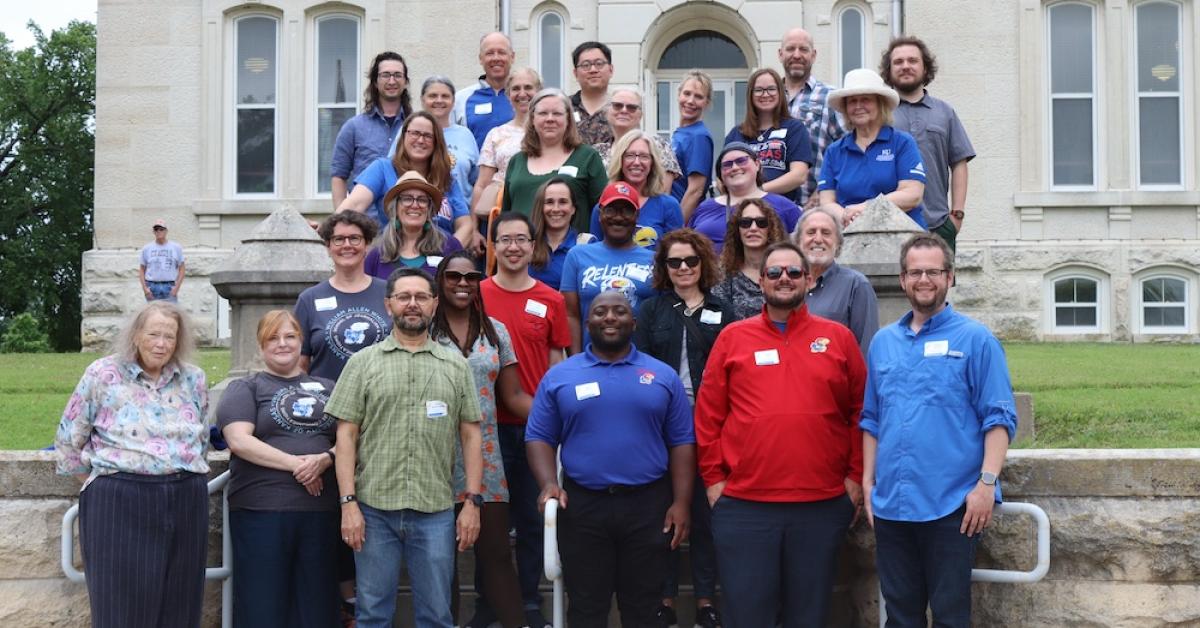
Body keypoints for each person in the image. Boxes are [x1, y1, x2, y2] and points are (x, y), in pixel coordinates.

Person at [695, 241, 866, 628]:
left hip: (820, 504)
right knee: (747, 615)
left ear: (808, 279)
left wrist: (854, 477)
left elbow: (861, 411)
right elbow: (708, 415)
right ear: (761, 281)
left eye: (792, 272)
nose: (784, 279)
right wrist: (714, 480)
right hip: (744, 505)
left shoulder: (838, 338)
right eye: (774, 272)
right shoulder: (733, 338)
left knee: (809, 615)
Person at [861, 234, 1018, 628]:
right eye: (915, 272)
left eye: (933, 271)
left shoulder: (976, 340)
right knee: (899, 617)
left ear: (950, 277)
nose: (924, 279)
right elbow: (871, 419)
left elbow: (999, 418)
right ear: (902, 279)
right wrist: (867, 483)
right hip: (893, 505)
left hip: (952, 507)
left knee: (950, 616)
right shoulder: (883, 343)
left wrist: (986, 483)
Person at [526, 291, 696, 628]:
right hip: (584, 506)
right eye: (600, 311)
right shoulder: (561, 375)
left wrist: (681, 502)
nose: (609, 317)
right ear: (587, 323)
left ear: (633, 322)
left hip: (648, 506)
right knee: (587, 607)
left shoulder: (662, 376)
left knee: (644, 608)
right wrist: (548, 483)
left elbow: (682, 443)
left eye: (619, 311)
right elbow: (540, 437)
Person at [326, 267, 484, 628]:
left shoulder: (455, 366)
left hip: (435, 510)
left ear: (434, 304)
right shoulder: (362, 363)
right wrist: (348, 504)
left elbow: (472, 436)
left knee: (436, 616)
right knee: (372, 615)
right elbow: (346, 437)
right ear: (389, 304)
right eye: (403, 297)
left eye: (421, 297)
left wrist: (472, 502)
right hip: (373, 510)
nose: (412, 304)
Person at [55, 301, 209, 628]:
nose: (161, 343)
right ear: (136, 334)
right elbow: (69, 438)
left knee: (180, 606)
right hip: (119, 500)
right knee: (120, 609)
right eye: (153, 334)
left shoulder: (193, 378)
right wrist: (103, 481)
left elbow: (202, 441)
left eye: (169, 336)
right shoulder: (103, 374)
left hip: (186, 497)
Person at [630, 229, 730, 628]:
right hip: (662, 422)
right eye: (675, 262)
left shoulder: (722, 311)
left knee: (706, 514)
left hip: (710, 422)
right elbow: (640, 365)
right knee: (665, 511)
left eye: (691, 261)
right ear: (664, 268)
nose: (684, 268)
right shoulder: (651, 310)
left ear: (703, 263)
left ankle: (706, 601)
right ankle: (665, 599)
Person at [216, 310, 339, 628]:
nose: (282, 344)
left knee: (317, 607)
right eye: (273, 338)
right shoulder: (246, 388)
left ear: (302, 341)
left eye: (290, 336)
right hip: (262, 510)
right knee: (263, 605)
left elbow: (354, 438)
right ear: (260, 346)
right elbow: (239, 441)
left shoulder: (329, 387)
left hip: (320, 512)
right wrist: (298, 465)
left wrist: (324, 459)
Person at [429, 252, 532, 628]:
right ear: (439, 282)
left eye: (471, 276)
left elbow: (515, 397)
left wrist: (564, 418)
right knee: (440, 564)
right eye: (453, 276)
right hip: (432, 457)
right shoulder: (424, 329)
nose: (462, 283)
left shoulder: (496, 331)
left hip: (485, 457)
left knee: (497, 557)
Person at [478, 212, 572, 628]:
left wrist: (556, 420)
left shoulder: (551, 299)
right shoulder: (475, 293)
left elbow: (557, 365)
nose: (513, 247)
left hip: (535, 430)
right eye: (505, 240)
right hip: (484, 428)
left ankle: (529, 602)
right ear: (493, 246)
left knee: (534, 522)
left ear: (534, 247)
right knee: (488, 526)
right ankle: (488, 604)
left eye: (521, 239)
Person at [883, 36, 976, 251]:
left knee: (936, 285)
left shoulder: (945, 112)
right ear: (889, 71)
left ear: (925, 68)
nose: (905, 66)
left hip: (938, 223)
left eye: (912, 61)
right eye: (898, 62)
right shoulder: (881, 114)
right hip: (890, 224)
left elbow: (959, 163)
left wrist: (956, 216)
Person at [339, 111, 474, 246]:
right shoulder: (383, 168)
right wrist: (326, 230)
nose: (420, 140)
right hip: (396, 256)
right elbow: (354, 204)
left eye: (428, 136)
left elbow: (465, 225)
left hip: (439, 257)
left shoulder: (446, 178)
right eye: (415, 133)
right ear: (403, 136)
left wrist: (448, 254)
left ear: (436, 142)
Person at [819, 68, 927, 228]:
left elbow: (912, 195)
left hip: (902, 237)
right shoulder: (834, 151)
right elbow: (826, 202)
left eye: (865, 99)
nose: (858, 106)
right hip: (851, 237)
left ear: (880, 103)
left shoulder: (902, 143)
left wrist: (864, 209)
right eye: (852, 101)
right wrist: (848, 216)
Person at [561, 181, 656, 353]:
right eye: (611, 210)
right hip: (591, 360)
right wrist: (577, 361)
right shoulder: (577, 256)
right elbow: (571, 315)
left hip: (641, 362)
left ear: (637, 216)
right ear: (600, 214)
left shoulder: (654, 260)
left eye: (626, 210)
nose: (618, 217)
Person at [295, 211, 390, 382]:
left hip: (382, 401)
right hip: (327, 402)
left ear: (367, 245)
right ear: (328, 246)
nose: (347, 245)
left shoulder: (390, 293)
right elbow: (300, 365)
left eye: (354, 238)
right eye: (338, 239)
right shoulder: (309, 299)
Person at [502, 88, 606, 234]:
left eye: (557, 113)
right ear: (532, 118)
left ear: (568, 119)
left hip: (570, 253)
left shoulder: (587, 157)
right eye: (543, 113)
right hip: (523, 253)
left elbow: (602, 212)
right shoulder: (517, 161)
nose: (550, 118)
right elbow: (506, 215)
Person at [395, 76, 479, 242]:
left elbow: (476, 182)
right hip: (414, 217)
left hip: (459, 222)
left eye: (445, 96)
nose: (439, 101)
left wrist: (473, 229)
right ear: (422, 100)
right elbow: (396, 167)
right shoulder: (407, 132)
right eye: (433, 96)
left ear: (453, 101)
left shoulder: (465, 135)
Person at [687, 142, 800, 254]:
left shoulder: (785, 207)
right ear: (720, 175)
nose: (734, 167)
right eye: (727, 165)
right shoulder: (704, 208)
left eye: (741, 161)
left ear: (757, 164)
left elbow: (800, 249)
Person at [331, 51, 411, 208]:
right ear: (375, 81)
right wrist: (343, 219)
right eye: (385, 75)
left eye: (397, 75)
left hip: (407, 221)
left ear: (406, 82)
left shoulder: (416, 127)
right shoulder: (354, 127)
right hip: (365, 222)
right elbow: (339, 176)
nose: (392, 80)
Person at [795, 208, 879, 354]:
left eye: (826, 233)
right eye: (811, 232)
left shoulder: (856, 285)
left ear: (838, 243)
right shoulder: (786, 283)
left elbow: (867, 347)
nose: (818, 239)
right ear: (797, 242)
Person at [778, 28, 845, 207]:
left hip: (814, 210)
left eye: (804, 49)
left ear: (813, 55)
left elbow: (847, 149)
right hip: (769, 210)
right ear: (780, 54)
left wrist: (823, 191)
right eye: (791, 49)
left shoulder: (830, 97)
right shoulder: (768, 97)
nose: (797, 55)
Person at [724, 68, 812, 203]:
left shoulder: (795, 129)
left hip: (781, 207)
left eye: (771, 89)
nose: (765, 94)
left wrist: (757, 192)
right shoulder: (736, 133)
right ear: (750, 95)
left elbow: (798, 175)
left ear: (780, 93)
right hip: (741, 209)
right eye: (759, 90)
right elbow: (721, 177)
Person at [588, 130, 683, 249]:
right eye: (630, 155)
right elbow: (594, 255)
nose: (637, 162)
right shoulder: (602, 208)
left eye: (644, 156)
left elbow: (677, 254)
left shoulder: (668, 206)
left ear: (652, 163)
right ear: (620, 161)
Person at [363, 170, 465, 280]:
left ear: (429, 208)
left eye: (422, 200)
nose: (415, 205)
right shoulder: (377, 255)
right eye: (407, 199)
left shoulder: (450, 246)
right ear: (395, 207)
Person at [472, 68, 542, 218]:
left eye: (528, 87)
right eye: (516, 89)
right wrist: (474, 228)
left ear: (539, 92)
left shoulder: (550, 131)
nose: (522, 94)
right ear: (508, 95)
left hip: (540, 209)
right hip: (503, 213)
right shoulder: (496, 134)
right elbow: (481, 184)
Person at [711, 198, 789, 321]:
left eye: (761, 222)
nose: (753, 228)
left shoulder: (788, 271)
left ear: (771, 229)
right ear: (737, 229)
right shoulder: (724, 273)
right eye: (745, 222)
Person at [592, 88, 681, 192]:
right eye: (617, 106)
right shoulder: (596, 152)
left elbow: (662, 191)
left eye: (631, 107)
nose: (624, 110)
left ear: (640, 115)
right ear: (607, 112)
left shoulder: (658, 145)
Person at [528, 177, 595, 290]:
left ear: (573, 208)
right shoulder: (526, 244)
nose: (556, 209)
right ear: (540, 207)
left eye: (563, 202)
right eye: (549, 202)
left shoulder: (586, 244)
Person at [455, 32, 517, 149]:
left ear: (512, 57)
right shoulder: (461, 99)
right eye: (489, 53)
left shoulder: (525, 97)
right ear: (480, 59)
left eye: (502, 52)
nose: (496, 58)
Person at [670, 70, 715, 220]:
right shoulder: (680, 133)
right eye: (687, 93)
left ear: (706, 103)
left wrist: (674, 227)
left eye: (698, 97)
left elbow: (695, 190)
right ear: (679, 95)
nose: (690, 101)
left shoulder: (698, 136)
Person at [569, 41, 615, 146]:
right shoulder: (563, 107)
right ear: (575, 73)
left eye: (599, 64)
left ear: (611, 69)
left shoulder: (621, 108)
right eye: (586, 65)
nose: (593, 70)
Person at [139, 219, 185, 302]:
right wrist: (145, 289)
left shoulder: (176, 247)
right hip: (152, 286)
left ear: (166, 231)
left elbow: (182, 268)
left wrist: (176, 288)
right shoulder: (147, 248)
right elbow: (142, 269)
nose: (158, 231)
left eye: (161, 229)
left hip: (169, 286)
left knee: (170, 314)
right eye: (156, 229)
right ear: (153, 232)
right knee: (152, 314)